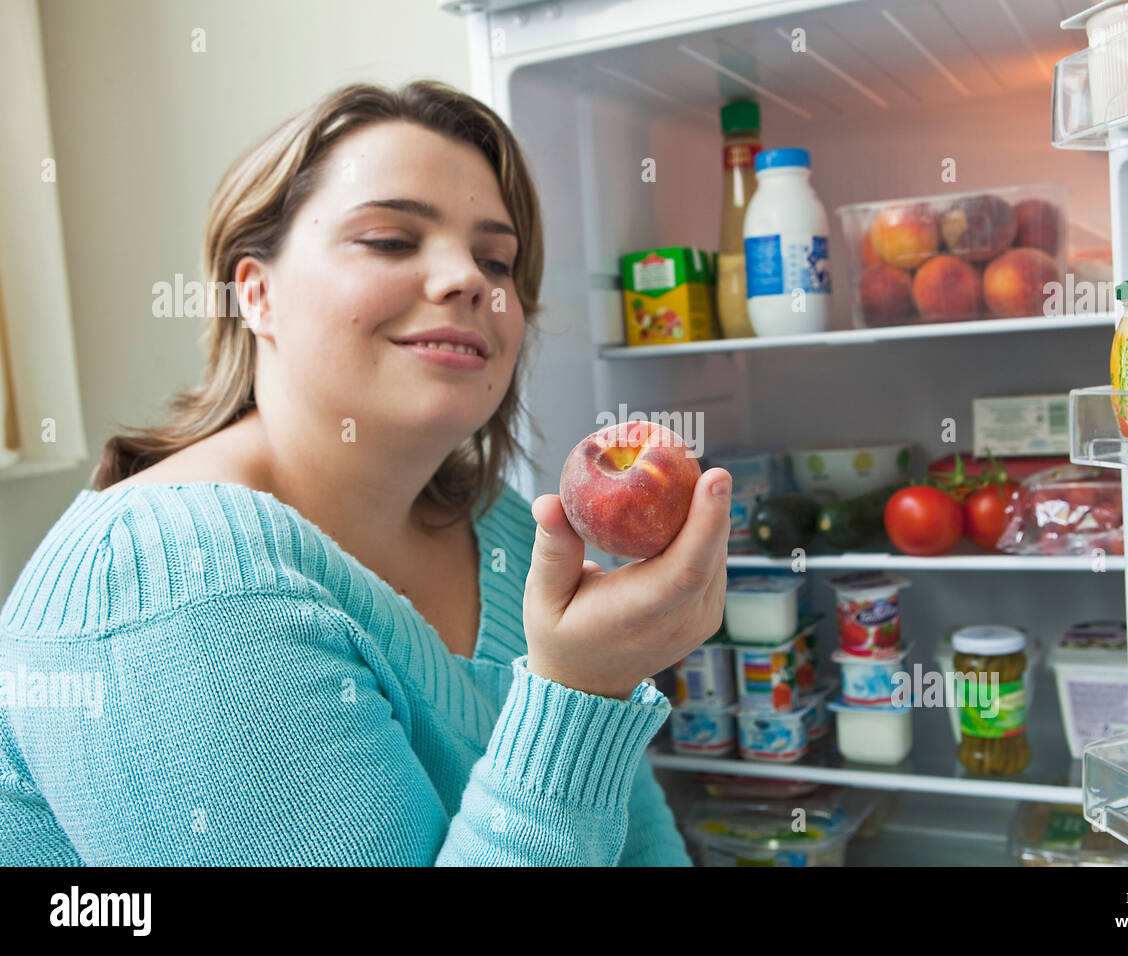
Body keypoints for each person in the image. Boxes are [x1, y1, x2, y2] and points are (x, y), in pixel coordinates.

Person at [0, 80, 732, 866]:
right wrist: (581, 690)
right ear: (258, 295)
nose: (468, 280)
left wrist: (598, 682)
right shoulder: (173, 587)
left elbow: (635, 842)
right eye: (388, 240)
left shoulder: (500, 530)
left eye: (496, 258)